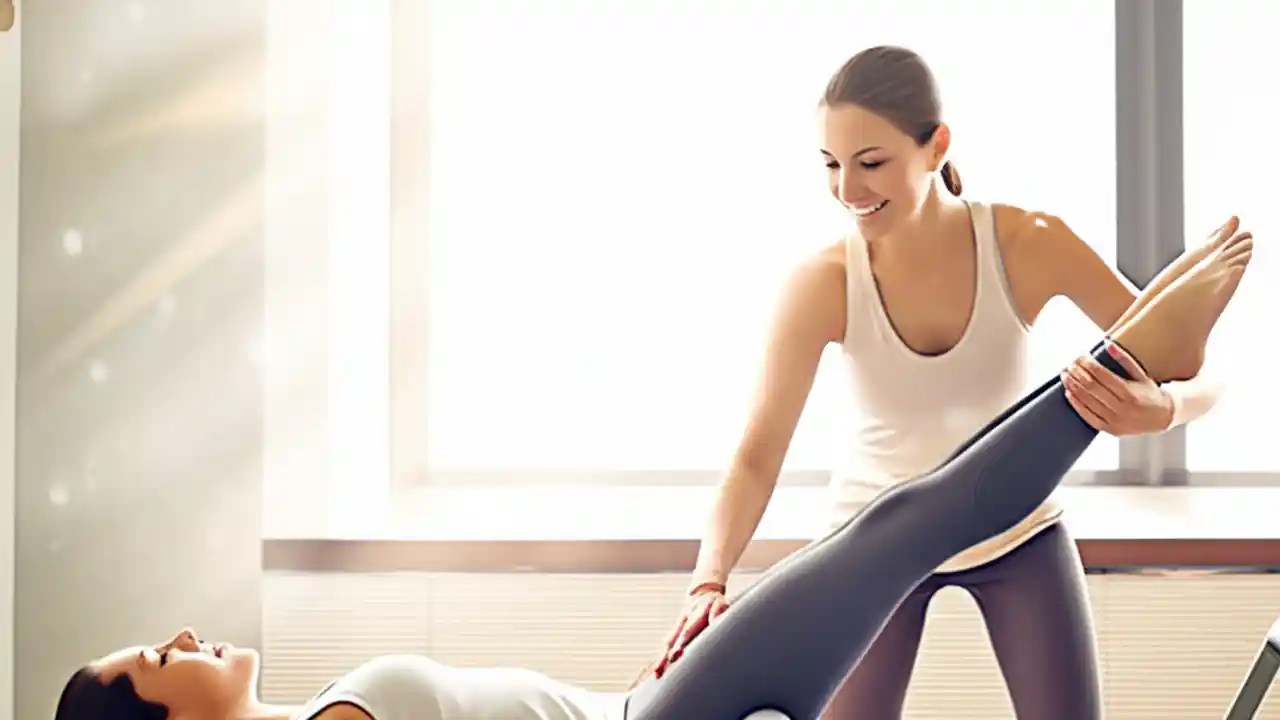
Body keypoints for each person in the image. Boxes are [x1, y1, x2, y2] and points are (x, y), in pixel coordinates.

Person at [53, 223, 1254, 720]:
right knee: (898, 530)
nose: (181, 637)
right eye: (158, 661)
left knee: (896, 527)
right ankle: (1129, 361)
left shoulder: (331, 711)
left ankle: (1132, 357)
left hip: (641, 707)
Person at [650, 45, 1232, 719]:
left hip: (1018, 530)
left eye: (871, 163)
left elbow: (1199, 367)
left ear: (936, 146)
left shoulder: (1028, 242)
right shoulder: (824, 283)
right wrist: (707, 580)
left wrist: (1161, 409)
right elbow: (756, 456)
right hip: (873, 539)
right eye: (831, 166)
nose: (848, 191)